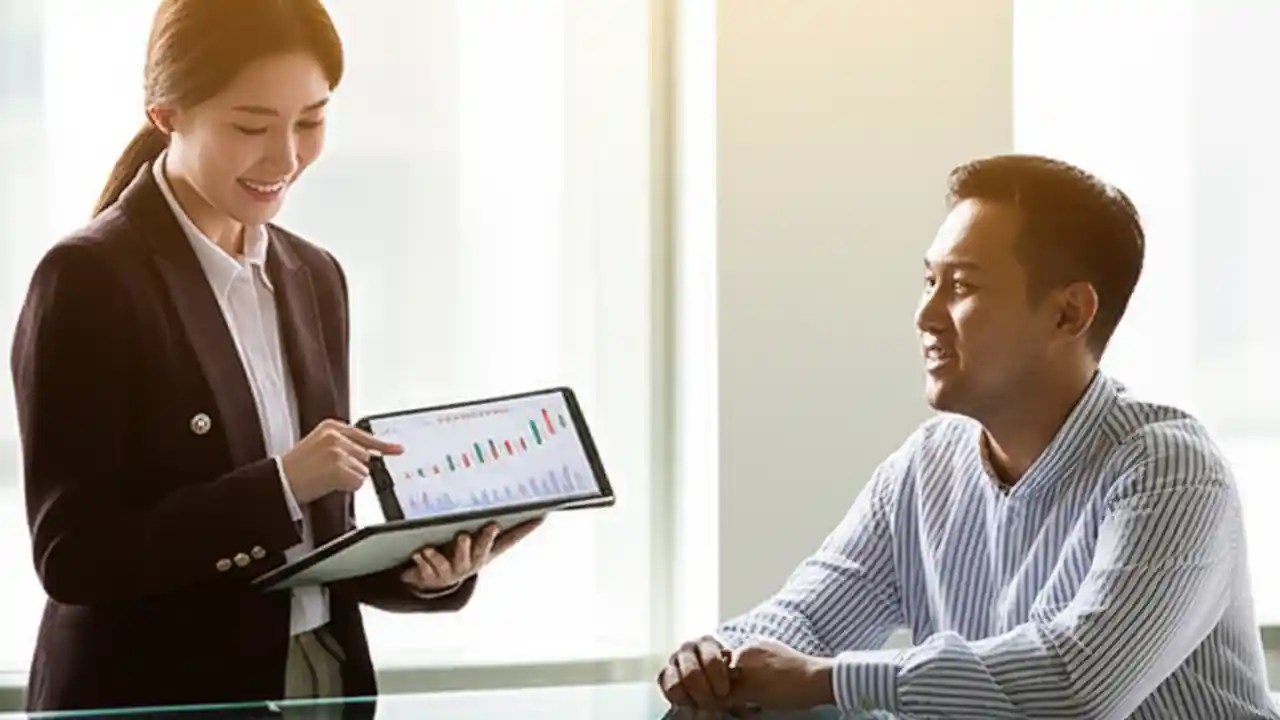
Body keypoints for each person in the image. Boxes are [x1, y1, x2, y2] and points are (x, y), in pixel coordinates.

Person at [10, 0, 540, 712]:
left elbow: (314, 546)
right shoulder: (88, 279)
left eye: (312, 121)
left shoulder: (314, 275)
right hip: (162, 695)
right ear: (165, 111)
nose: (286, 157)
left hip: (318, 677)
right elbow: (74, 558)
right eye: (250, 126)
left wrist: (422, 574)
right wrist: (283, 483)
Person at [658, 155, 1278, 718]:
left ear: (1069, 313)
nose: (926, 316)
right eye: (928, 281)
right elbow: (809, 617)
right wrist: (719, 659)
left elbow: (1077, 685)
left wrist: (831, 681)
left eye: (962, 286)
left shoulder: (1170, 469)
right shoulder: (927, 465)